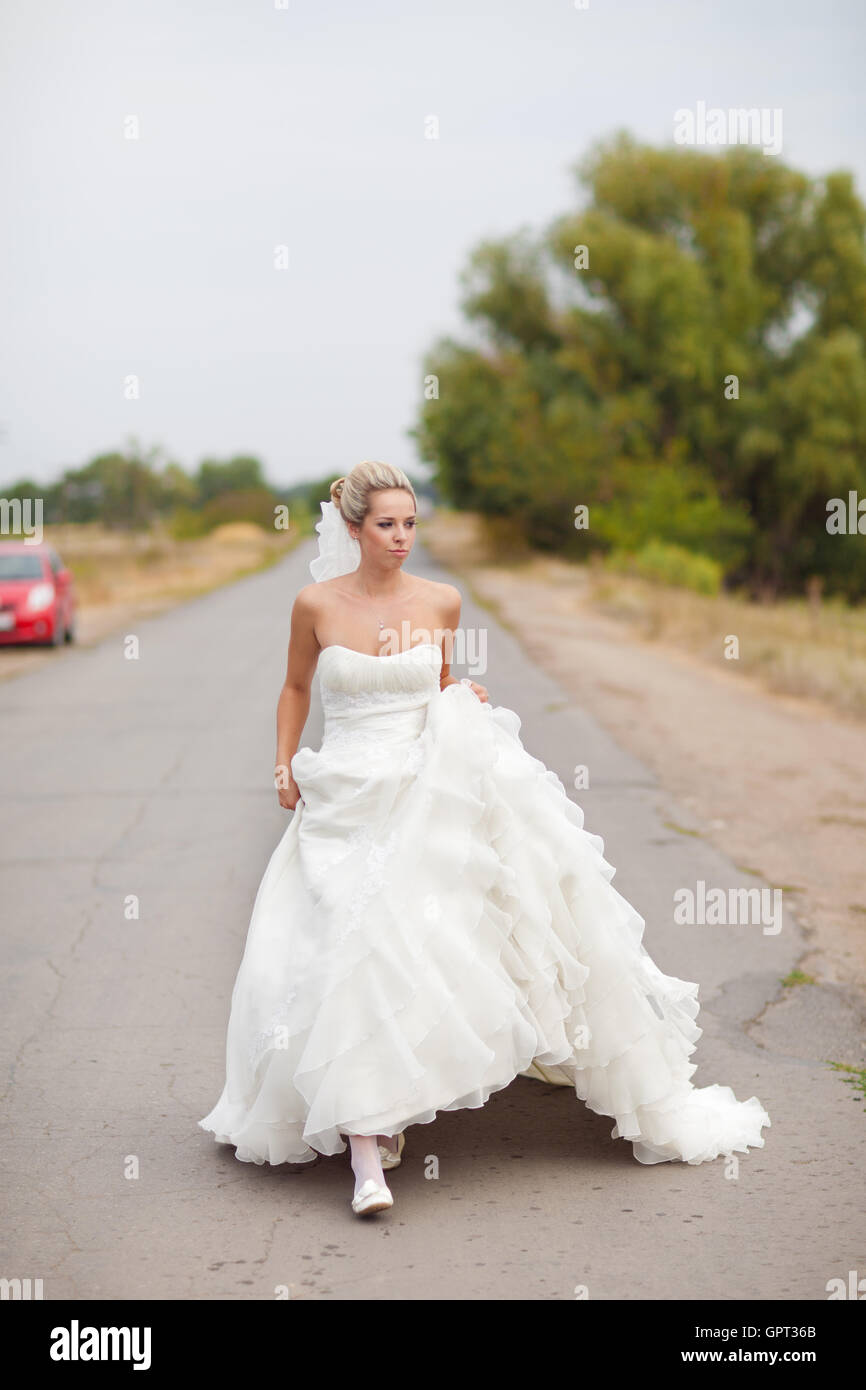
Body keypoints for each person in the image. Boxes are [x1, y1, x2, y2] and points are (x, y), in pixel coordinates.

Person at [199, 459, 770, 1217]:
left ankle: (375, 1135)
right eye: (386, 525)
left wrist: (460, 695)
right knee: (335, 949)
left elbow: (433, 686)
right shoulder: (314, 606)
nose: (401, 537)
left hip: (423, 791)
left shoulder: (441, 601)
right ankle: (368, 1131)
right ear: (352, 527)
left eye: (409, 523)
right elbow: (298, 689)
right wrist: (282, 763)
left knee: (401, 951)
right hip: (343, 794)